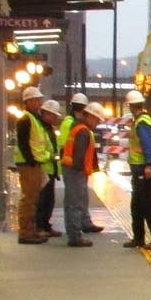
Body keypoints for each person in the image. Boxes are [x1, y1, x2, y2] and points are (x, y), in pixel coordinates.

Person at [59, 102, 108, 246]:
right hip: (76, 171)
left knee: (71, 202)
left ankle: (73, 234)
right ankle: (75, 237)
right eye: (97, 120)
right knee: (76, 203)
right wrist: (83, 170)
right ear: (91, 116)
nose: (97, 123)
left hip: (71, 169)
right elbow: (79, 155)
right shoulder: (83, 131)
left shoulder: (77, 127)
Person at [11, 86, 55, 244]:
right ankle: (26, 232)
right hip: (29, 164)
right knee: (29, 198)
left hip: (34, 163)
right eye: (36, 100)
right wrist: (31, 160)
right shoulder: (26, 119)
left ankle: (31, 230)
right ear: (28, 102)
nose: (39, 103)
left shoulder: (33, 118)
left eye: (39, 100)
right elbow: (24, 143)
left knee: (33, 198)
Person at [123, 89, 151, 251]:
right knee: (137, 204)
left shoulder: (143, 122)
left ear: (131, 106)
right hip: (139, 167)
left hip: (144, 168)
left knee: (146, 204)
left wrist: (149, 165)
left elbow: (149, 144)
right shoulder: (139, 121)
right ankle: (138, 237)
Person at [34, 99, 64, 240]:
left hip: (50, 168)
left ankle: (45, 225)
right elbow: (39, 148)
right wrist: (50, 156)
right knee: (42, 200)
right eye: (53, 115)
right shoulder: (41, 128)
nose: (55, 118)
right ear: (45, 114)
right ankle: (39, 226)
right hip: (43, 167)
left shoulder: (49, 129)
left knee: (49, 200)